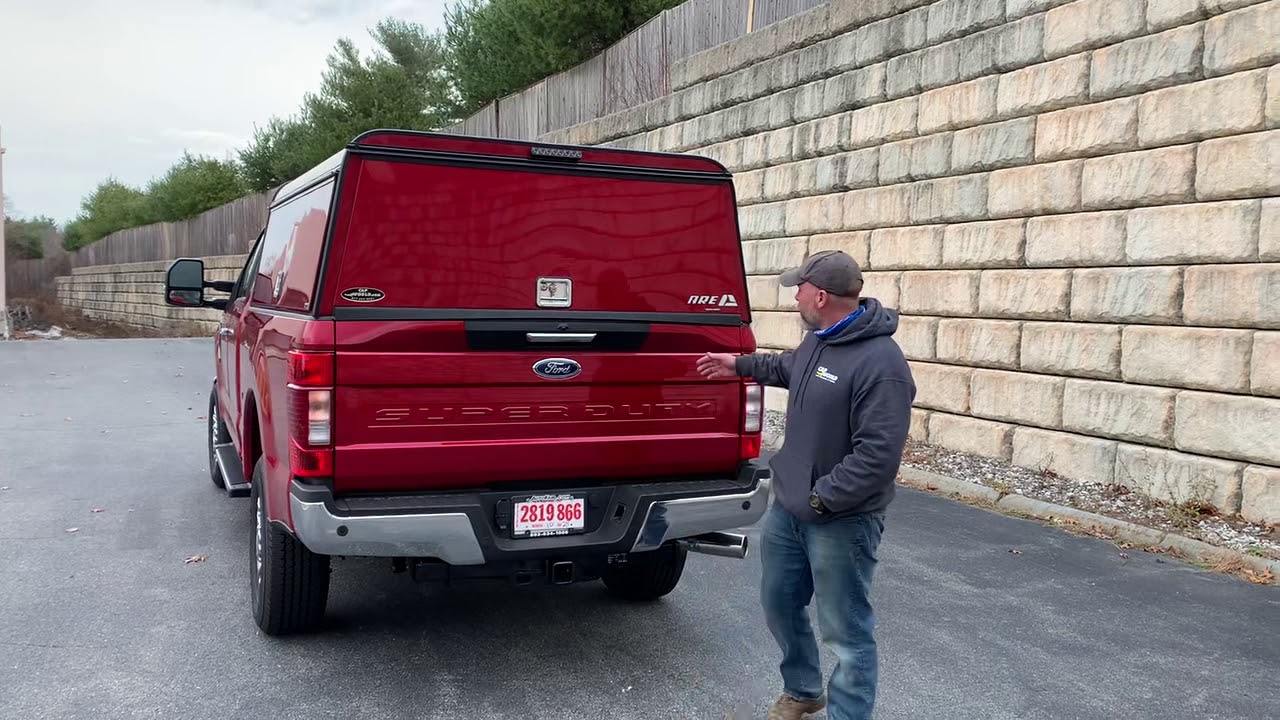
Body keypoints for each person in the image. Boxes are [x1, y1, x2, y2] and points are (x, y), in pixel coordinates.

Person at [697, 249, 915, 720]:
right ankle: (803, 690)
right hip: (790, 511)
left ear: (818, 296)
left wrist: (822, 498)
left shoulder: (882, 364)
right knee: (779, 603)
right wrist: (737, 365)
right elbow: (786, 368)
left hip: (842, 520)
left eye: (798, 287)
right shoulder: (819, 339)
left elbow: (878, 456)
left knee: (846, 632)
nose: (793, 294)